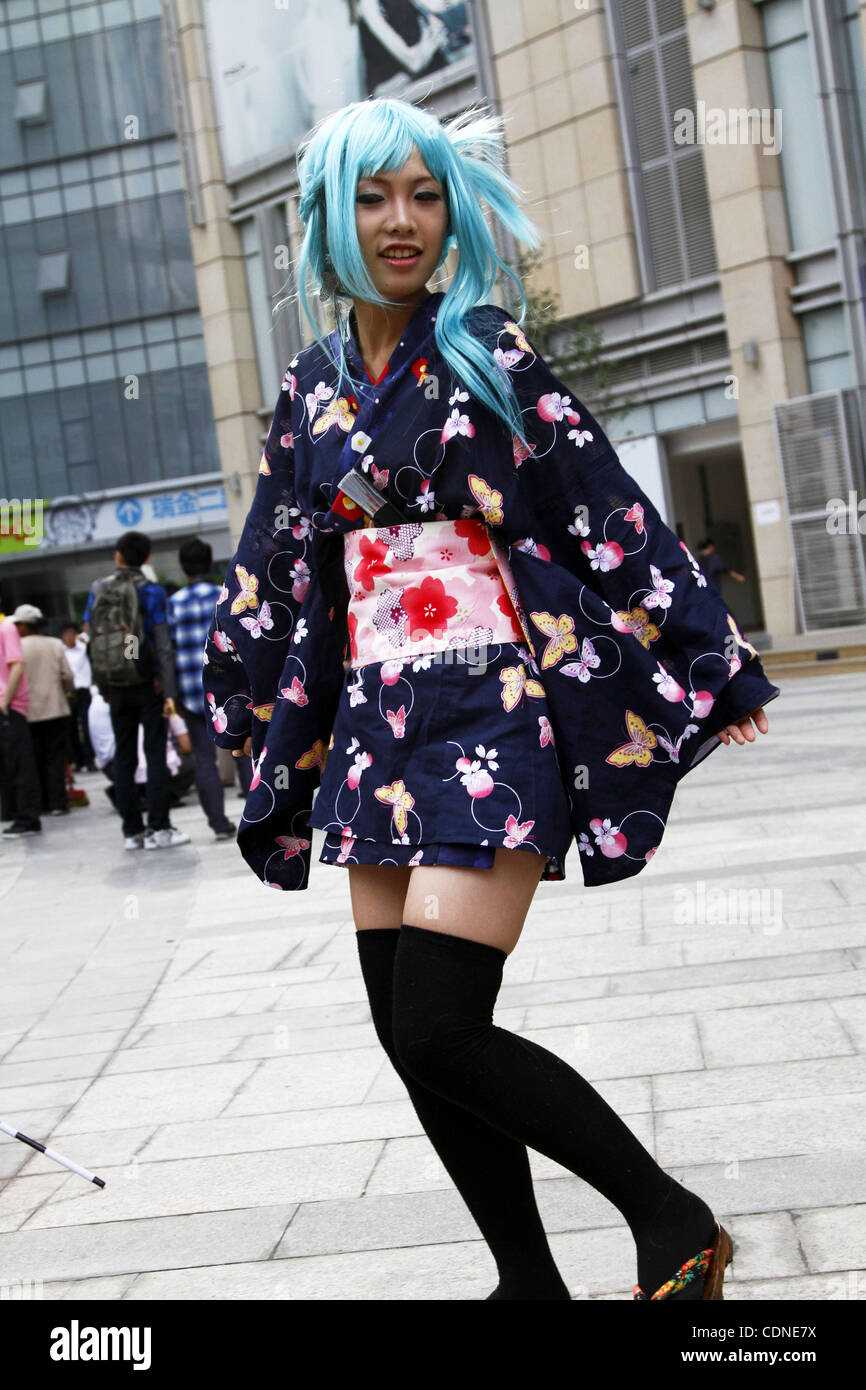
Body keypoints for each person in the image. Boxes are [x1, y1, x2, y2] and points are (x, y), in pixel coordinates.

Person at [203, 98, 782, 1302]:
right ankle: (527, 1281)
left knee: (439, 1026)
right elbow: (270, 561)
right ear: (326, 216)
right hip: (372, 726)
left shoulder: (485, 351)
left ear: (449, 209)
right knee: (405, 1041)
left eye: (421, 194)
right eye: (371, 198)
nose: (399, 222)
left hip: (490, 709)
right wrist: (233, 706)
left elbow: (599, 500)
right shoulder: (308, 388)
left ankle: (670, 1216)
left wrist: (708, 656)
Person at [82, 530, 189, 851]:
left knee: (125, 756)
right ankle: (159, 827)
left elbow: (93, 636)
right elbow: (163, 644)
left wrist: (102, 682)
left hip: (114, 684)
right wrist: (169, 692)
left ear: (117, 555)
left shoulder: (98, 588)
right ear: (146, 559)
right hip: (147, 682)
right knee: (155, 752)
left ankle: (132, 831)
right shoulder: (152, 592)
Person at [166, 537, 236, 840]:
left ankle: (219, 823)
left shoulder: (174, 603)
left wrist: (171, 694)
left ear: (183, 568)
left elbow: (166, 651)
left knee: (204, 759)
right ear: (209, 563)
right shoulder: (225, 594)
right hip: (230, 684)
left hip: (191, 690)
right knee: (241, 748)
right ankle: (253, 816)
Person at [11, 605, 75, 818]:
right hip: (55, 708)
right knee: (55, 757)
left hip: (27, 712)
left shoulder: (16, 647)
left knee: (33, 758)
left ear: (23, 626)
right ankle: (58, 801)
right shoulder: (55, 644)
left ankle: (42, 802)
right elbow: (67, 676)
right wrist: (63, 693)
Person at [0, 596, 42, 837]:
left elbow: (17, 664)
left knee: (19, 761)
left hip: (10, 704)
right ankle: (17, 813)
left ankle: (27, 817)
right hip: (12, 703)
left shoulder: (6, 628)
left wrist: (6, 701)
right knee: (11, 762)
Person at [59, 621, 97, 772]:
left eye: (71, 633)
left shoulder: (84, 648)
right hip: (68, 691)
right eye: (66, 634)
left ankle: (89, 759)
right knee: (70, 727)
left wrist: (85, 639)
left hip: (84, 689)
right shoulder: (60, 651)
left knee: (88, 725)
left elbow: (94, 649)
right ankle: (76, 759)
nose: (69, 637)